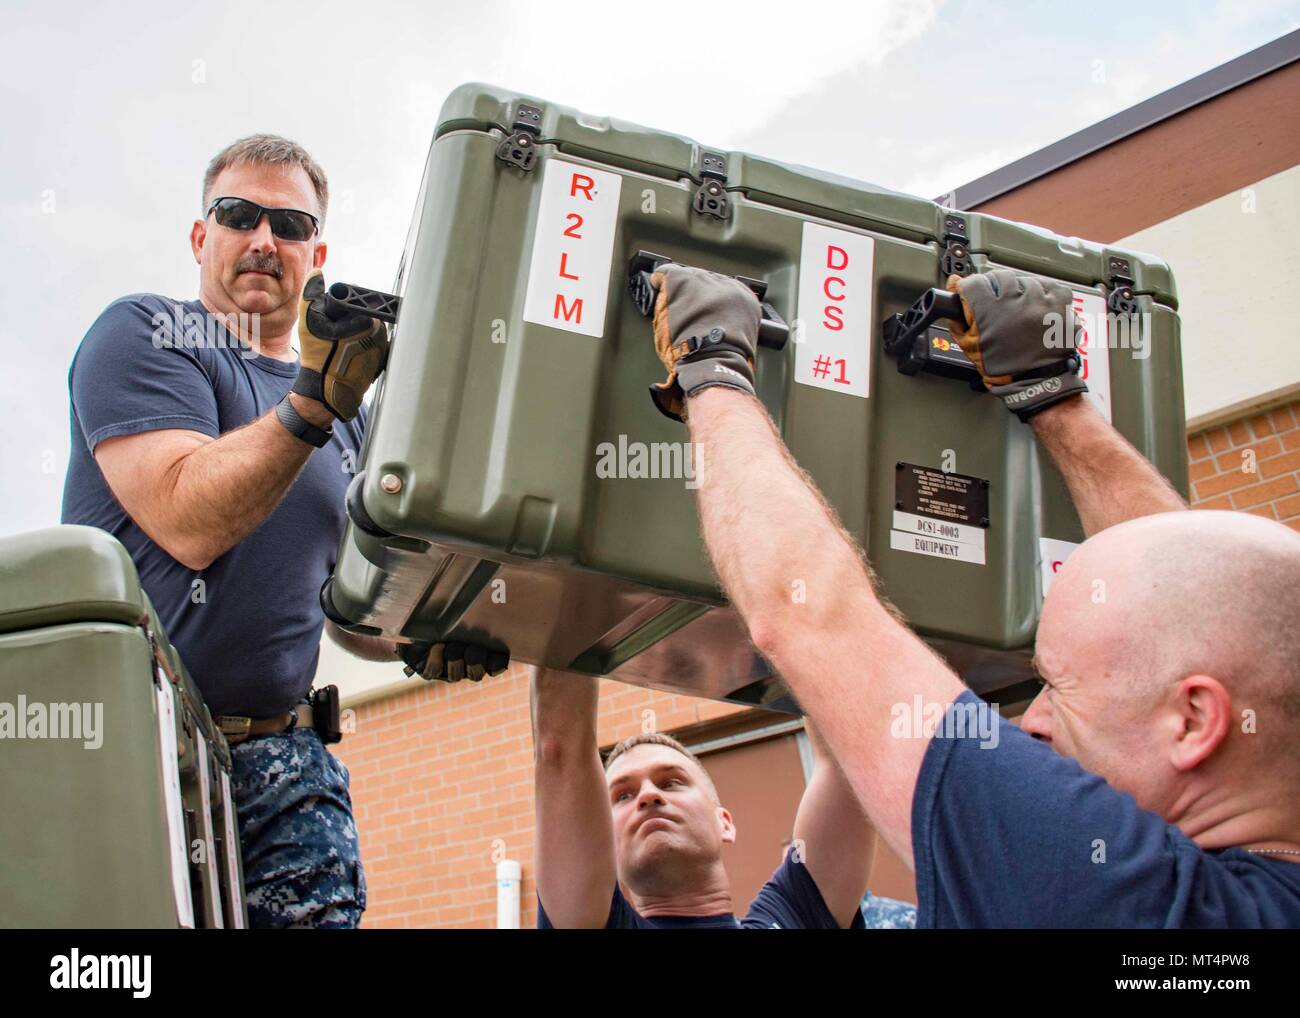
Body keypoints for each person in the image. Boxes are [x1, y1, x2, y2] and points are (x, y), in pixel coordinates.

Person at [636, 262, 1300, 927]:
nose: (1029, 723)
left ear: (1191, 722)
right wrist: (1052, 394)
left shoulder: (1114, 895)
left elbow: (810, 617)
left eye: (1061, 687)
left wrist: (711, 363)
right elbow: (1188, 595)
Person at [61, 135, 500, 928]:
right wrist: (311, 405)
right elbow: (188, 517)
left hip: (287, 772)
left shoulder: (348, 420)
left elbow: (348, 606)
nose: (264, 239)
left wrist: (418, 635)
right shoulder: (142, 334)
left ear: (316, 253)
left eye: (290, 225)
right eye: (239, 215)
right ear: (202, 237)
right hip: (138, 757)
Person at [531, 665, 887, 928]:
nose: (648, 796)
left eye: (671, 783)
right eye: (623, 795)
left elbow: (843, 760)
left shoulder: (795, 916)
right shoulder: (587, 921)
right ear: (604, 843)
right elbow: (559, 746)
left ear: (724, 823)